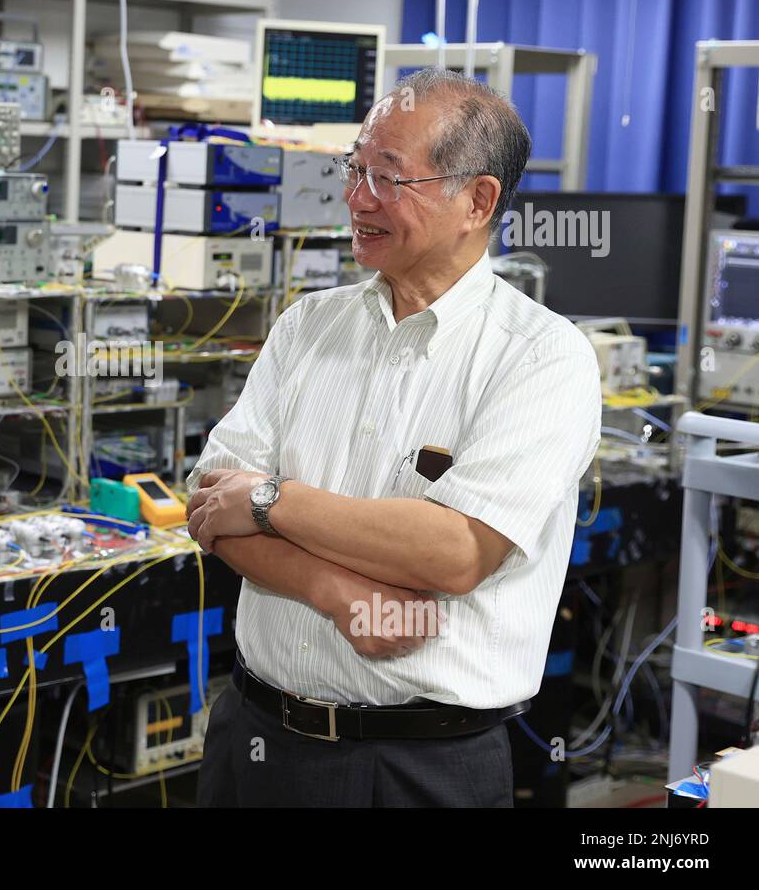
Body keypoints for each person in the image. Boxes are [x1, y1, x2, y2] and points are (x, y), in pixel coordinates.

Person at [184, 68, 601, 807]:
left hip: (417, 766)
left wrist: (270, 500)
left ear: (478, 201)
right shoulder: (309, 326)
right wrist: (337, 591)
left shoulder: (541, 357)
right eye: (354, 170)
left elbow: (453, 552)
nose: (357, 198)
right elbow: (211, 504)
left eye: (389, 177)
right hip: (253, 738)